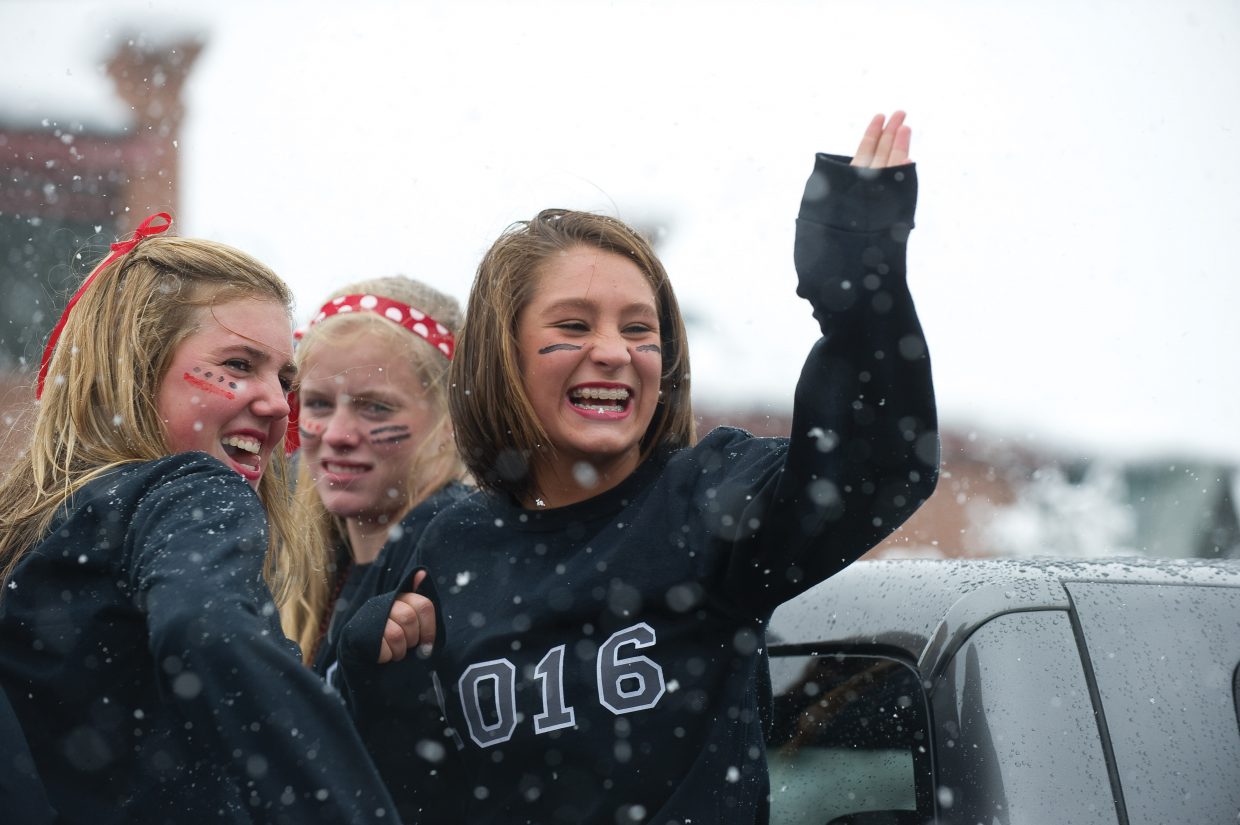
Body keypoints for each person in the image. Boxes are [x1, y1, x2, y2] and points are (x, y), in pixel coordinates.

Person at [342, 111, 939, 823]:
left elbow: (879, 462)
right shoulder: (439, 543)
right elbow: (379, 791)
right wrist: (374, 677)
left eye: (638, 329)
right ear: (502, 353)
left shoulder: (708, 500)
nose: (614, 351)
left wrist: (857, 285)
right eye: (572, 325)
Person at [0, 215, 403, 823]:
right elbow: (205, 627)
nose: (275, 402)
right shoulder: (189, 489)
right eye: (238, 365)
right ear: (138, 368)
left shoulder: (26, 531)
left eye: (284, 378)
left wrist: (353, 663)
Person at [279, 277, 471, 818]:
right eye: (317, 403)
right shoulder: (303, 573)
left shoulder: (457, 560)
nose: (337, 433)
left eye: (374, 408)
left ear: (453, 422)